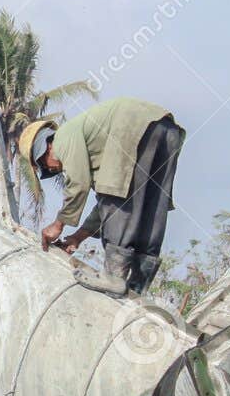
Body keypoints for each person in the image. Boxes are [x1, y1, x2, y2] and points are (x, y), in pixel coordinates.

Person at [18, 97, 187, 296]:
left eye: (45, 166)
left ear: (46, 148)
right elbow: (106, 207)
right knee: (152, 203)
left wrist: (58, 224)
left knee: (118, 196)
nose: (54, 169)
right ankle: (138, 283)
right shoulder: (97, 146)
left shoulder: (63, 138)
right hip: (166, 129)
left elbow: (79, 185)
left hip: (130, 126)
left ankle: (114, 277)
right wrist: (77, 238)